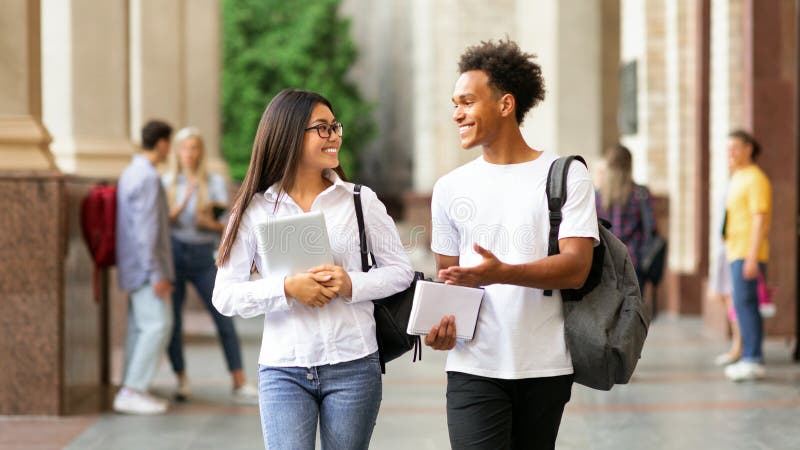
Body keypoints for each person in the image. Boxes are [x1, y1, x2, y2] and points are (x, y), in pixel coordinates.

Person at [212, 89, 413, 449]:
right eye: (322, 128)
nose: (334, 136)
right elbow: (224, 296)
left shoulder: (359, 201)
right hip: (283, 368)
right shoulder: (254, 210)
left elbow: (400, 271)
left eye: (335, 127)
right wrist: (287, 288)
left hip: (354, 364)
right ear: (289, 134)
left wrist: (351, 283)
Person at [425, 39, 599, 449]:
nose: (457, 113)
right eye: (455, 104)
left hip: (545, 367)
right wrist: (441, 328)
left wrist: (501, 273)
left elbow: (577, 268)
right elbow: (449, 280)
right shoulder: (449, 188)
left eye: (467, 102)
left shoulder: (566, 175)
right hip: (472, 366)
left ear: (505, 104)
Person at [162, 127, 257, 403]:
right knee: (174, 320)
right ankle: (181, 379)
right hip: (175, 254)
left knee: (223, 316)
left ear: (200, 151)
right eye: (184, 148)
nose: (189, 153)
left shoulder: (213, 182)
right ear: (177, 152)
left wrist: (209, 223)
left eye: (194, 148)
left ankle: (239, 380)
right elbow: (161, 223)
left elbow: (225, 224)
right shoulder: (167, 182)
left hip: (204, 254)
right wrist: (182, 203)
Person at [113, 120, 175, 415]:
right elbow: (147, 231)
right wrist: (157, 273)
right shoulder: (149, 177)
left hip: (133, 265)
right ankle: (132, 390)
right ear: (162, 143)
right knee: (157, 325)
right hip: (145, 268)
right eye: (169, 143)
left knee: (141, 328)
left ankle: (132, 387)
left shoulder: (131, 172)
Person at [723, 129, 772, 382]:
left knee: (747, 305)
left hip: (747, 253)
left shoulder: (755, 179)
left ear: (748, 149)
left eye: (735, 148)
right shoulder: (738, 177)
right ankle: (749, 357)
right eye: (728, 148)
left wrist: (752, 257)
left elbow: (759, 219)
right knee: (742, 306)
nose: (730, 153)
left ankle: (753, 358)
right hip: (736, 252)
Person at [594, 144, 657, 291]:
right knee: (633, 304)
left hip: (604, 264)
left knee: (608, 305)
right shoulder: (640, 194)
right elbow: (651, 228)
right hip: (633, 263)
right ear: (629, 165)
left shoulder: (596, 196)